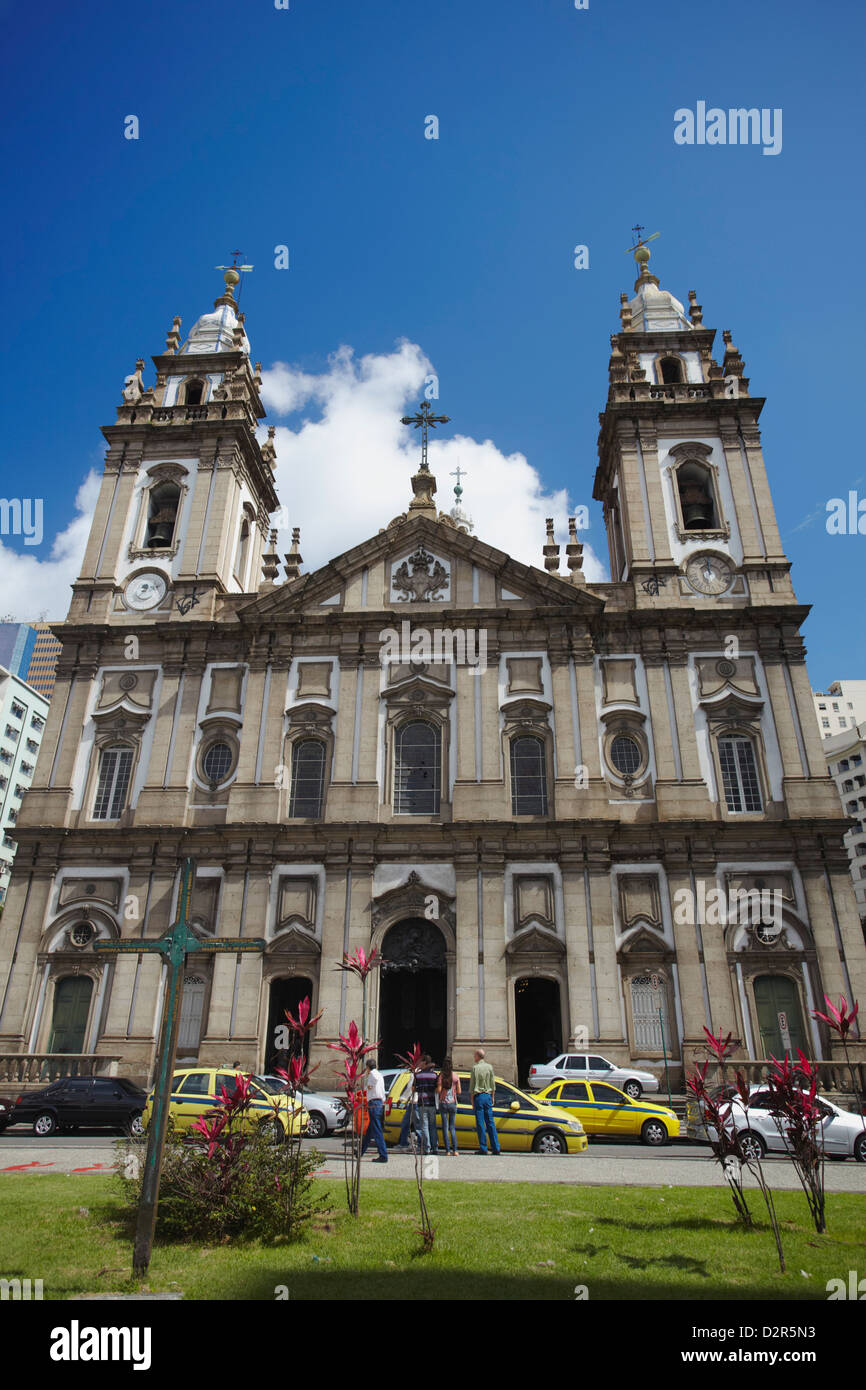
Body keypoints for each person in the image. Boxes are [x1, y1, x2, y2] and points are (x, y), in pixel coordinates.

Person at [469, 1048, 500, 1155]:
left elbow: (472, 1087)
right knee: (490, 1123)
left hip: (479, 1097)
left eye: (474, 1055)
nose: (474, 1057)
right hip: (487, 1096)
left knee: (480, 1124)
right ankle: (496, 1147)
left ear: (478, 1056)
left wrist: (472, 1101)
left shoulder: (475, 1068)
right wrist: (492, 1097)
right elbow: (492, 1084)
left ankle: (483, 1148)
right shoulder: (489, 1067)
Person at [360, 1057, 388, 1163]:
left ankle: (383, 1154)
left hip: (374, 1103)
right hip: (378, 1102)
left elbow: (371, 1085)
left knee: (377, 1130)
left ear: (367, 1067)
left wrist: (367, 1086)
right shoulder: (379, 1074)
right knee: (370, 1131)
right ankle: (360, 1151)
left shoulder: (373, 1074)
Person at [414, 1054, 439, 1155]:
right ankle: (435, 1147)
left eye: (420, 1062)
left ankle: (427, 1148)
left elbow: (414, 1088)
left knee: (424, 1126)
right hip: (432, 1103)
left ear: (424, 1063)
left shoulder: (418, 1075)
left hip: (422, 1103)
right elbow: (437, 1089)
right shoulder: (434, 1075)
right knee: (433, 1125)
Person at [437, 1057, 461, 1155]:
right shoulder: (455, 1076)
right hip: (452, 1103)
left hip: (443, 1103)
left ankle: (447, 1150)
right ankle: (455, 1150)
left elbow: (438, 1091)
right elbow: (459, 1091)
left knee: (445, 1127)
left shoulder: (441, 1076)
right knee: (452, 1127)